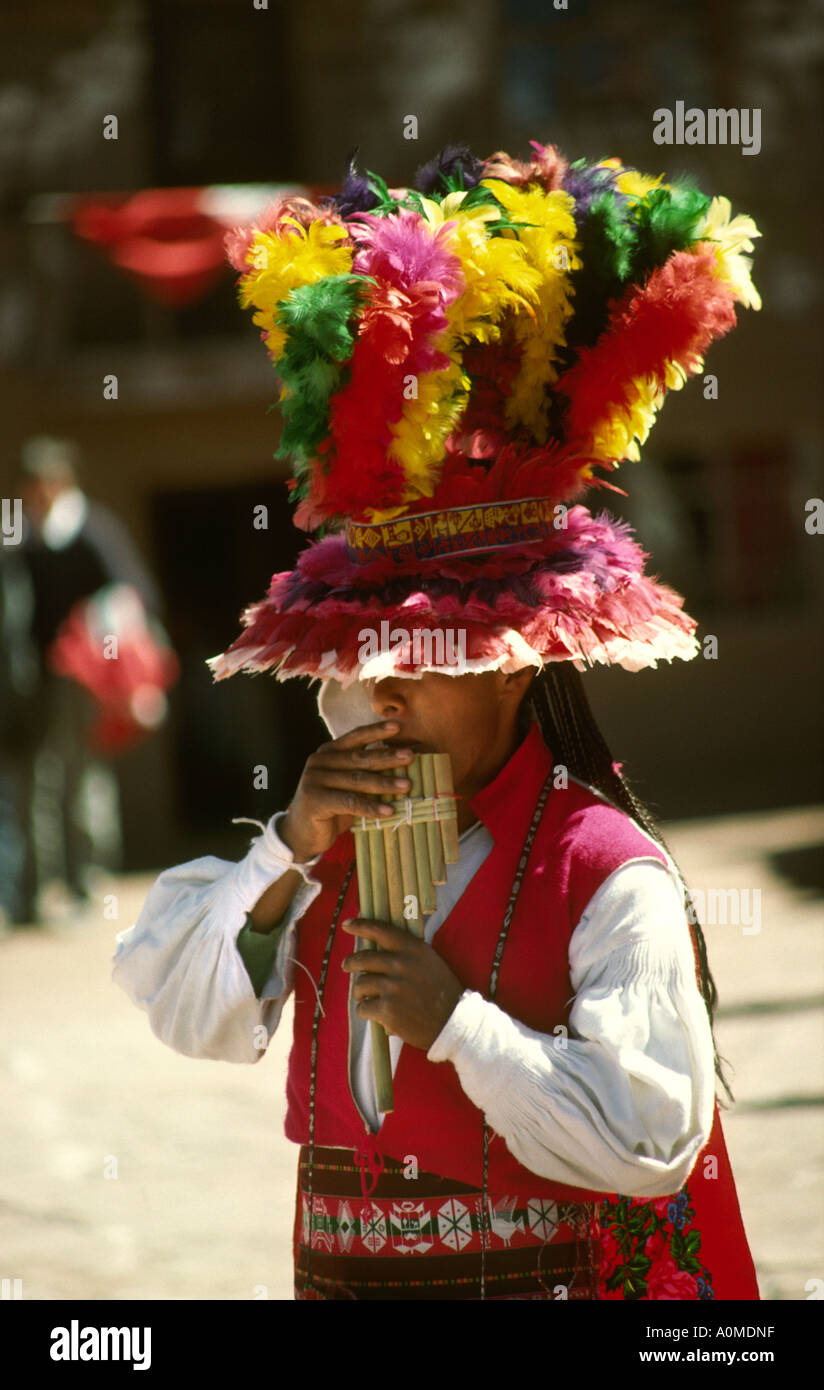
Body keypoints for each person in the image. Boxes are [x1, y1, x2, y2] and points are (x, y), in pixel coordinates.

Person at [112, 139, 762, 1299]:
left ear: (514, 665)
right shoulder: (328, 842)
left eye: (425, 659)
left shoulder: (609, 873)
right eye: (371, 656)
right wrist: (282, 854)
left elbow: (648, 1139)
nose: (387, 688)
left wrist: (458, 1023)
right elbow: (183, 1011)